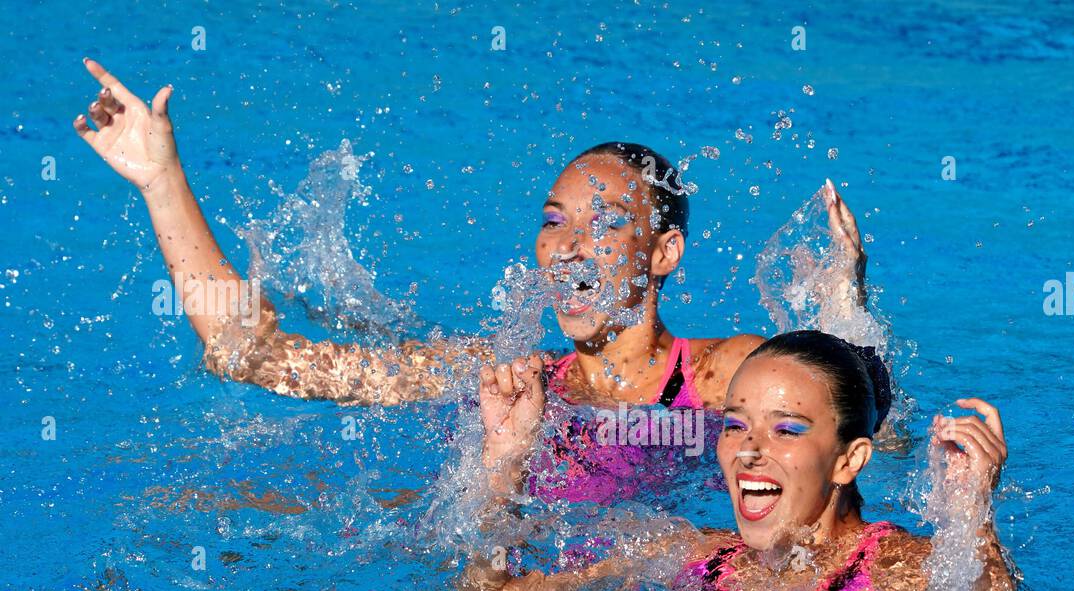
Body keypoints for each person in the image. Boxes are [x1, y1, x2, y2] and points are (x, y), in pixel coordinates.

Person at [72, 59, 869, 415]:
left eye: (607, 224)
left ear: (664, 255)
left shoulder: (727, 373)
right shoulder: (509, 380)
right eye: (554, 222)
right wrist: (161, 181)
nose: (569, 246)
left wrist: (847, 315)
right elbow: (255, 360)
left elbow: (858, 419)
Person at [466, 330, 1038, 591]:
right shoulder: (690, 556)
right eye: (736, 425)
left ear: (850, 459)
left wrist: (972, 522)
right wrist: (504, 462)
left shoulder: (893, 569)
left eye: (786, 429)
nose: (748, 450)